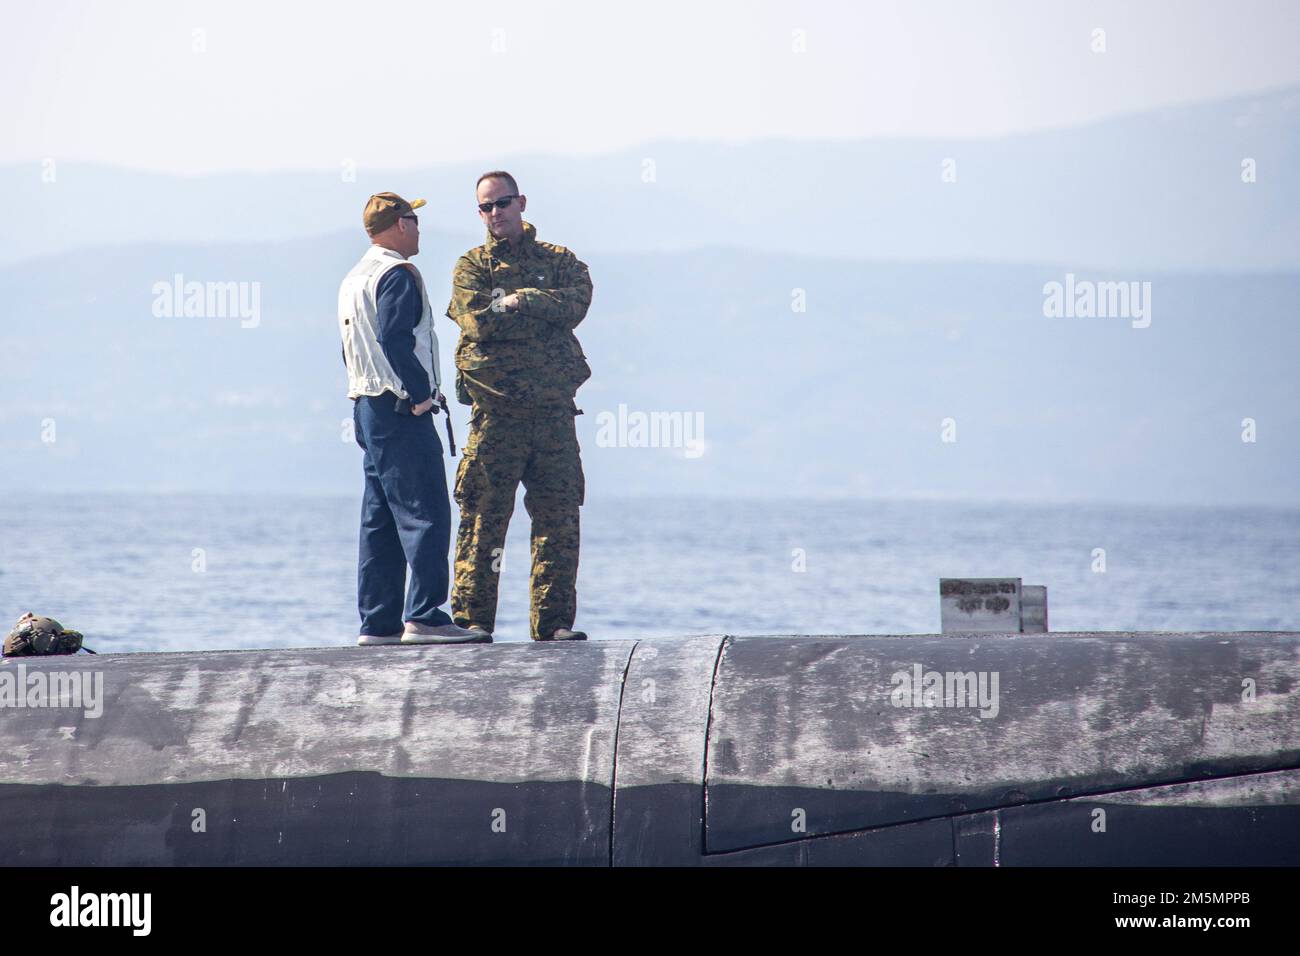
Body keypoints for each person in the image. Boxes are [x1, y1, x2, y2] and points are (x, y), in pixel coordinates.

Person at [445, 171, 592, 641]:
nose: (495, 214)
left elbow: (578, 302)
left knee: (558, 520)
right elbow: (477, 323)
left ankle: (554, 624)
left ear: (522, 203)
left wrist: (522, 300)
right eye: (485, 207)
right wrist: (535, 316)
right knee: (482, 523)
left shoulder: (559, 261)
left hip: (552, 415)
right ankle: (470, 622)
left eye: (502, 203)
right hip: (496, 417)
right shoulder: (473, 267)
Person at [338, 192, 490, 646]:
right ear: (399, 225)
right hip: (401, 408)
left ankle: (378, 622)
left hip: (366, 405)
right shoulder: (398, 273)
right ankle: (424, 615)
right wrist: (421, 394)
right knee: (425, 510)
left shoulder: (354, 277)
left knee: (380, 517)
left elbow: (354, 346)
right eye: (414, 218)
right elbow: (393, 337)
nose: (419, 226)